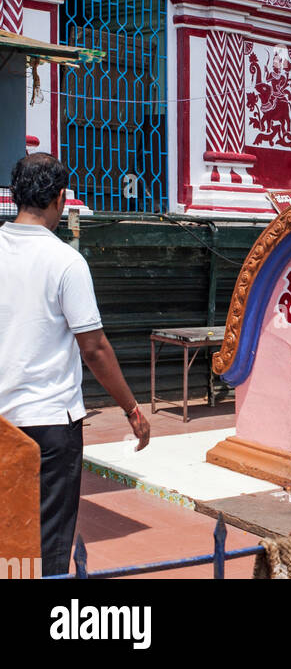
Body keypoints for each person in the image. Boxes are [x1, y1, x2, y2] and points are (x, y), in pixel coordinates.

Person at [0, 153, 150, 576]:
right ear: (60, 199)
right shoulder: (66, 262)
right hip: (49, 427)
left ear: (16, 196)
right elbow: (95, 349)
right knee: (47, 545)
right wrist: (132, 409)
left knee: (6, 538)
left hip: (2, 423)